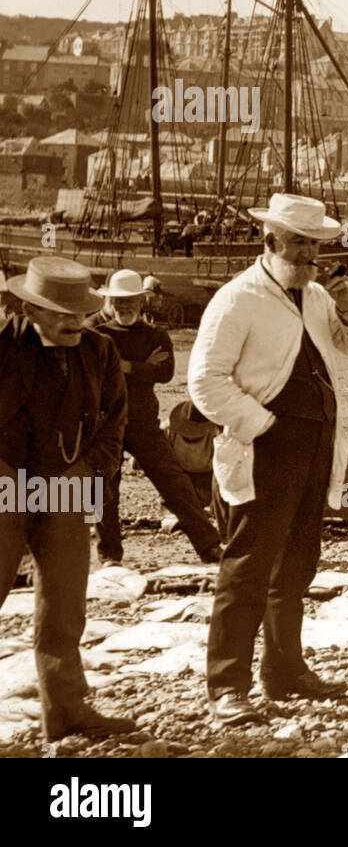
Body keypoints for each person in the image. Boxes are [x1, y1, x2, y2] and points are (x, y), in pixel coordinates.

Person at [189, 194, 348, 728]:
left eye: (314, 244)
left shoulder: (315, 297)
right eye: (298, 243)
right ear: (269, 240)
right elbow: (205, 381)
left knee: (297, 563)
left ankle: (284, 670)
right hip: (265, 449)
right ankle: (228, 685)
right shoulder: (237, 299)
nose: (308, 254)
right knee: (247, 568)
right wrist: (261, 425)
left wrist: (347, 305)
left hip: (314, 447)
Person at [0, 257, 135, 740]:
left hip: (68, 483)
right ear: (31, 310)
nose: (75, 322)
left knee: (65, 602)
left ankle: (66, 710)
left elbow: (115, 420)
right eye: (62, 313)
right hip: (6, 482)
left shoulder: (100, 350)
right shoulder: (3, 344)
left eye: (80, 312)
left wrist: (91, 470)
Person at [91, 269, 223, 565]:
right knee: (103, 488)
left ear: (142, 301)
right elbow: (92, 372)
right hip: (104, 424)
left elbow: (165, 372)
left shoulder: (155, 334)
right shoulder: (95, 332)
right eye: (118, 300)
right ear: (109, 301)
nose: (124, 306)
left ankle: (209, 545)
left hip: (143, 423)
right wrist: (140, 366)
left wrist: (121, 365)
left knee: (174, 482)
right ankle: (109, 555)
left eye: (130, 300)